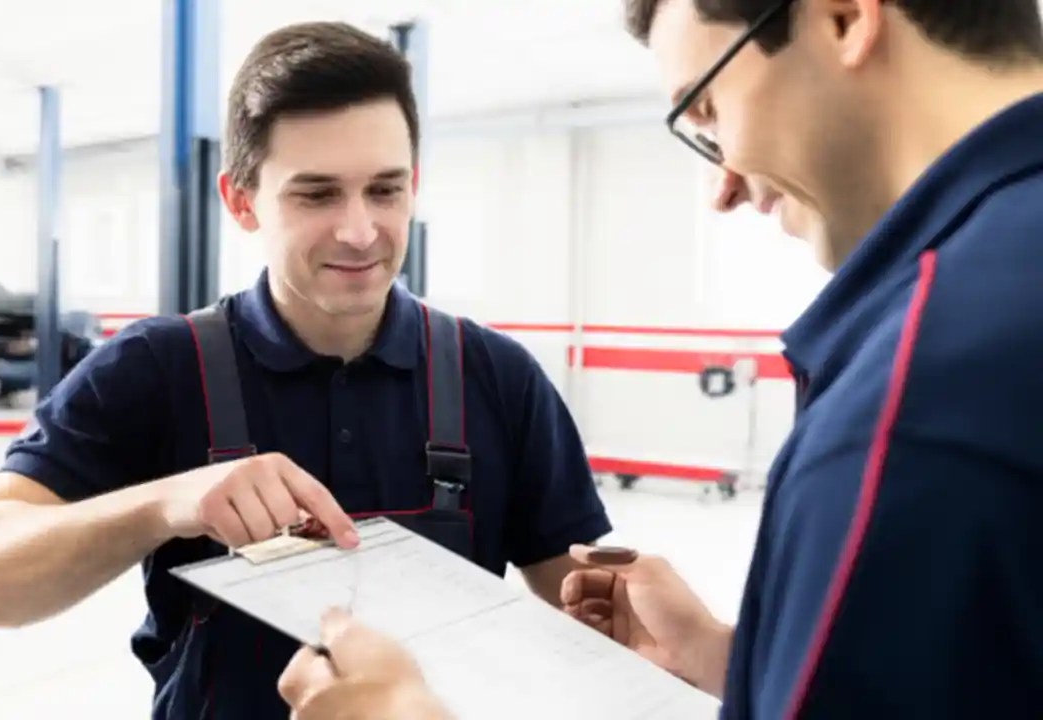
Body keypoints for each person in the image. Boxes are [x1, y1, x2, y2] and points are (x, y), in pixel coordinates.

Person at [277, 0, 1043, 717]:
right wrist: (731, 657)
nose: (722, 186)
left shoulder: (914, 403)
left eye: (707, 109)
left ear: (843, 17)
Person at [0, 20, 613, 720]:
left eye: (385, 190)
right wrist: (168, 502)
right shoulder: (152, 370)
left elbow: (587, 618)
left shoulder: (497, 378)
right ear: (241, 200)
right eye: (316, 195)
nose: (359, 231)